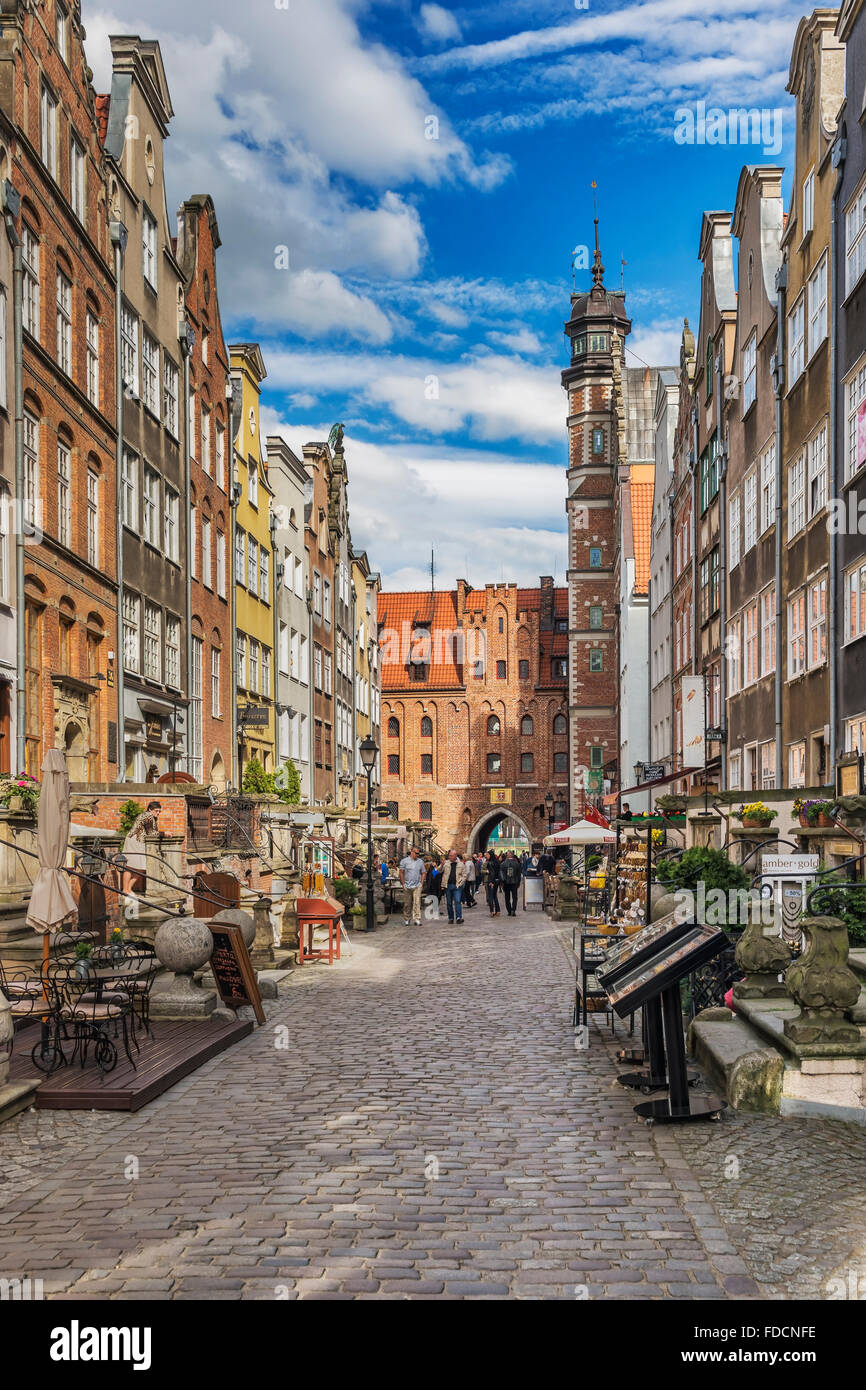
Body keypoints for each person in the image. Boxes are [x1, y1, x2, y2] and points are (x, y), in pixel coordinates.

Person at [122, 801, 162, 895]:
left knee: (140, 867)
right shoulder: (148, 816)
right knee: (131, 867)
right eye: (156, 811)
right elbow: (150, 833)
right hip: (135, 841)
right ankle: (125, 889)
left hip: (137, 842)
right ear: (150, 810)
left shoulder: (150, 816)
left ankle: (128, 889)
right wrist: (164, 834)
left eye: (159, 811)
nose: (158, 813)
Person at [399, 846, 425, 926]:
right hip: (407, 885)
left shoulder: (420, 862)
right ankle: (407, 918)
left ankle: (417, 918)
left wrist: (421, 883)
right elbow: (401, 872)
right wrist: (403, 884)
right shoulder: (404, 861)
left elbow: (423, 872)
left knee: (417, 903)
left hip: (417, 885)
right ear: (412, 852)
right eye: (416, 853)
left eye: (418, 853)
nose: (418, 855)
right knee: (407, 903)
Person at [443, 849, 467, 924]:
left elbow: (464, 875)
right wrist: (441, 864)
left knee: (457, 901)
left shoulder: (461, 864)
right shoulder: (446, 863)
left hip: (457, 886)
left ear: (455, 856)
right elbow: (440, 871)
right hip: (448, 885)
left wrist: (461, 882)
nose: (449, 857)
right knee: (449, 903)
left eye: (451, 855)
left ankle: (458, 917)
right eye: (449, 855)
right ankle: (451, 918)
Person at [501, 850, 522, 916]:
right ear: (513, 855)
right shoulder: (517, 864)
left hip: (506, 883)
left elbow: (501, 874)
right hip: (514, 882)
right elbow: (519, 874)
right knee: (515, 897)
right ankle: (513, 910)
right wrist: (518, 882)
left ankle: (509, 911)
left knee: (507, 897)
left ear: (507, 856)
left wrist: (502, 882)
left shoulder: (503, 864)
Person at [485, 850, 501, 915]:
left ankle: (492, 911)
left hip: (492, 881)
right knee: (495, 896)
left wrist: (491, 882)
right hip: (497, 880)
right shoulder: (497, 862)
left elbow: (492, 873)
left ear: (490, 855)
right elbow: (497, 872)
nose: (486, 856)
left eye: (487, 855)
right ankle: (498, 911)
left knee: (491, 896)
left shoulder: (490, 863)